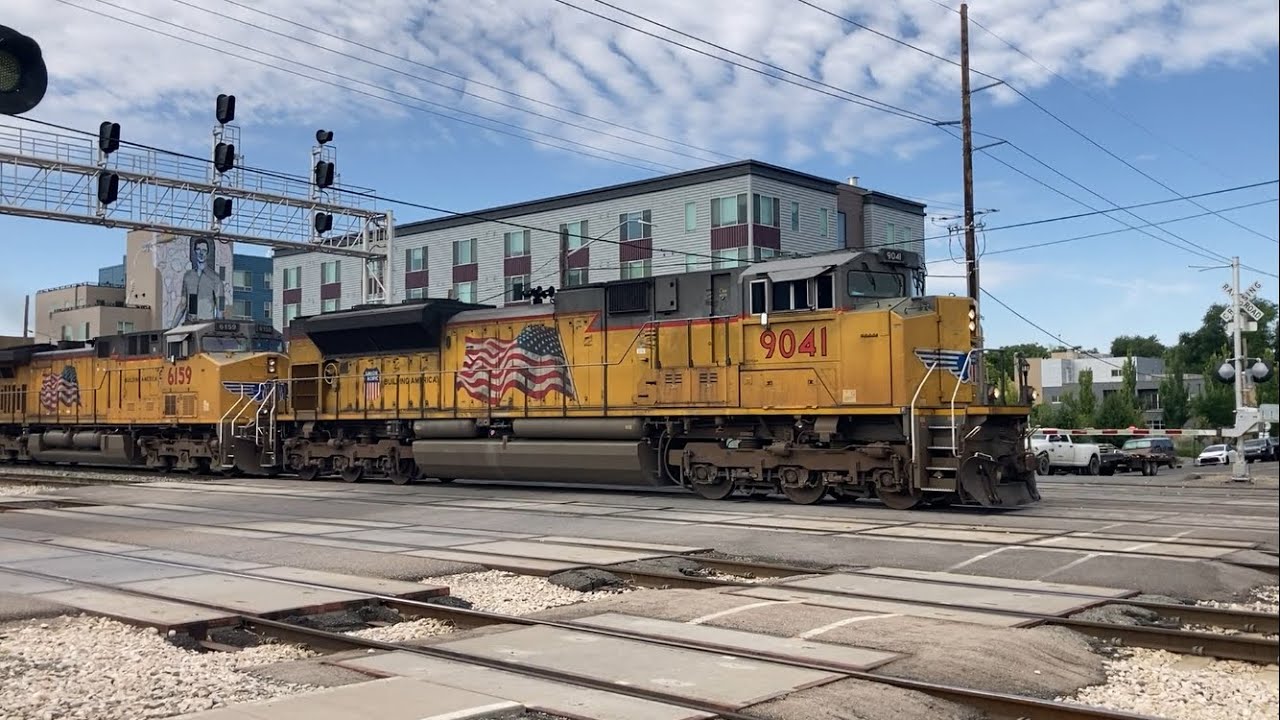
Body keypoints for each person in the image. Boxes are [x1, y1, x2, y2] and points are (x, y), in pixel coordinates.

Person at [170, 237, 225, 327]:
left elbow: (220, 308)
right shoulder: (188, 276)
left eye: (204, 250)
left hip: (206, 326)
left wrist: (218, 329)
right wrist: (171, 328)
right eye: (198, 249)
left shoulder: (216, 279)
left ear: (208, 252)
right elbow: (183, 304)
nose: (201, 253)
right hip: (189, 325)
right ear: (195, 251)